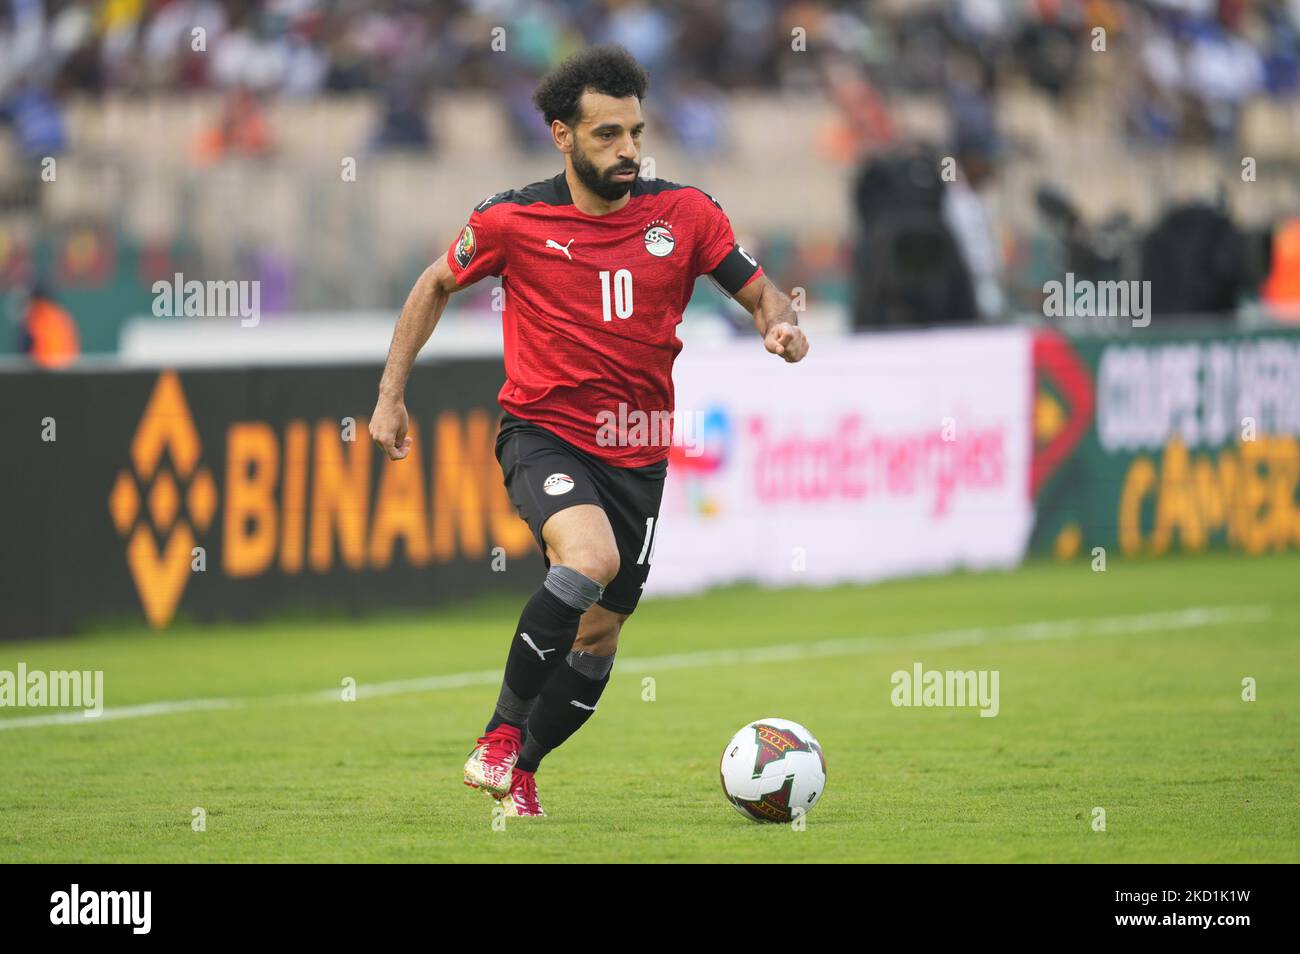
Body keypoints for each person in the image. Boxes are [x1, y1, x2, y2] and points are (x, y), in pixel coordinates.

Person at [368, 45, 808, 817]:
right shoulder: (513, 220)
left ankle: (525, 770)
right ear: (561, 136)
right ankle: (499, 735)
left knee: (599, 636)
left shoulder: (686, 216)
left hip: (639, 452)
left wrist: (782, 328)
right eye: (608, 134)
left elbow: (764, 294)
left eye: (636, 132)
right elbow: (435, 281)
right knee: (589, 559)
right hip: (544, 433)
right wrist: (390, 396)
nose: (629, 150)